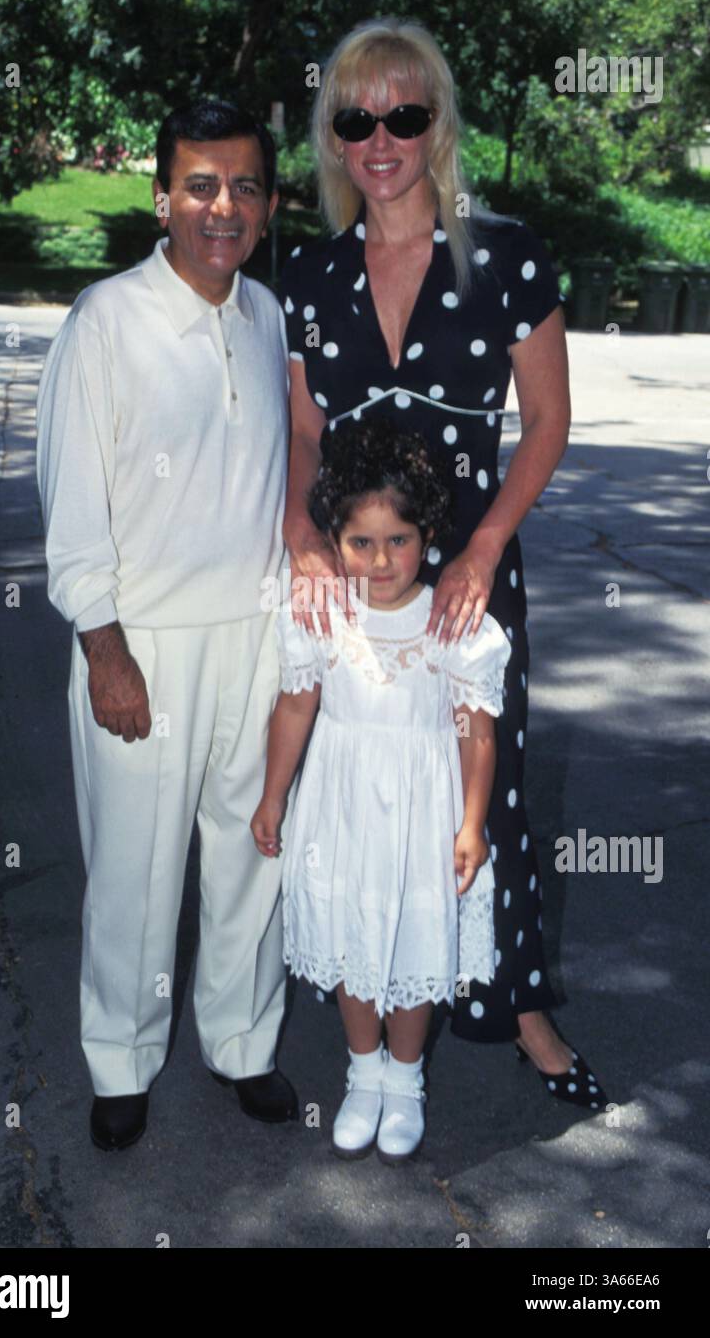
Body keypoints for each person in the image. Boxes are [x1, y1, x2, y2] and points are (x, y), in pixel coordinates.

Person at [278, 16, 608, 1107]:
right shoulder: (312, 270)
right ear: (332, 135)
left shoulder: (505, 253)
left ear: (438, 126)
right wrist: (300, 538)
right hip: (355, 576)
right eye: (356, 117)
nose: (381, 138)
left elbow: (549, 421)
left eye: (404, 115)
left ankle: (516, 1003)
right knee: (361, 792)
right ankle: (373, 1021)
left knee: (484, 789)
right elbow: (302, 434)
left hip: (467, 568)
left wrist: (484, 546)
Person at [35, 99, 299, 1151]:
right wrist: (104, 648)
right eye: (200, 184)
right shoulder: (106, 319)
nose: (221, 207)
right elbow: (71, 501)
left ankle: (243, 1042)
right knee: (137, 872)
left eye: (243, 187)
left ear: (269, 205)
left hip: (258, 633)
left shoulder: (269, 316)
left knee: (253, 855)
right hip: (141, 642)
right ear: (163, 197)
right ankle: (122, 1058)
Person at [251, 417, 512, 1162]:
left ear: (427, 534)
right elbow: (295, 704)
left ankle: (405, 1079)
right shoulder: (320, 612)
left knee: (412, 944)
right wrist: (273, 797)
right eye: (360, 542)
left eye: (399, 540)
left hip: (423, 815)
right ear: (333, 539)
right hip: (341, 810)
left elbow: (476, 730)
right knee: (354, 939)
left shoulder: (454, 620)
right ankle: (362, 1072)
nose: (381, 559)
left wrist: (472, 823)